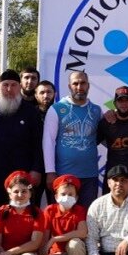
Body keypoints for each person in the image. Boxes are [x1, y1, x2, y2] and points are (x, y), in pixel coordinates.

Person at [0, 70, 43, 221]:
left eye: (13, 85)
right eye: (5, 85)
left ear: (19, 87)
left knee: (19, 217)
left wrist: (36, 169)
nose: (9, 89)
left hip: (21, 176)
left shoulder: (30, 111)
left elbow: (38, 143)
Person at [43, 70, 101, 209]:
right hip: (64, 175)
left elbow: (107, 136)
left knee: (87, 217)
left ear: (88, 86)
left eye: (83, 83)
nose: (79, 87)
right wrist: (50, 172)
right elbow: (48, 142)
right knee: (62, 218)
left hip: (89, 175)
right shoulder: (57, 109)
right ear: (69, 86)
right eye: (75, 83)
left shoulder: (96, 110)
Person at [40, 174, 88, 255]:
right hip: (57, 252)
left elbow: (82, 232)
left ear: (76, 197)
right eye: (63, 194)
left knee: (75, 243)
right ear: (56, 196)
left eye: (71, 194)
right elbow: (44, 238)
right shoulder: (49, 210)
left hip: (74, 252)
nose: (67, 197)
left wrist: (55, 239)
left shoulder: (79, 210)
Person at [97, 85, 128, 191]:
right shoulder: (106, 122)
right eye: (120, 100)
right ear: (115, 103)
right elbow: (90, 143)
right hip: (113, 177)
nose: (124, 104)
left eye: (127, 100)